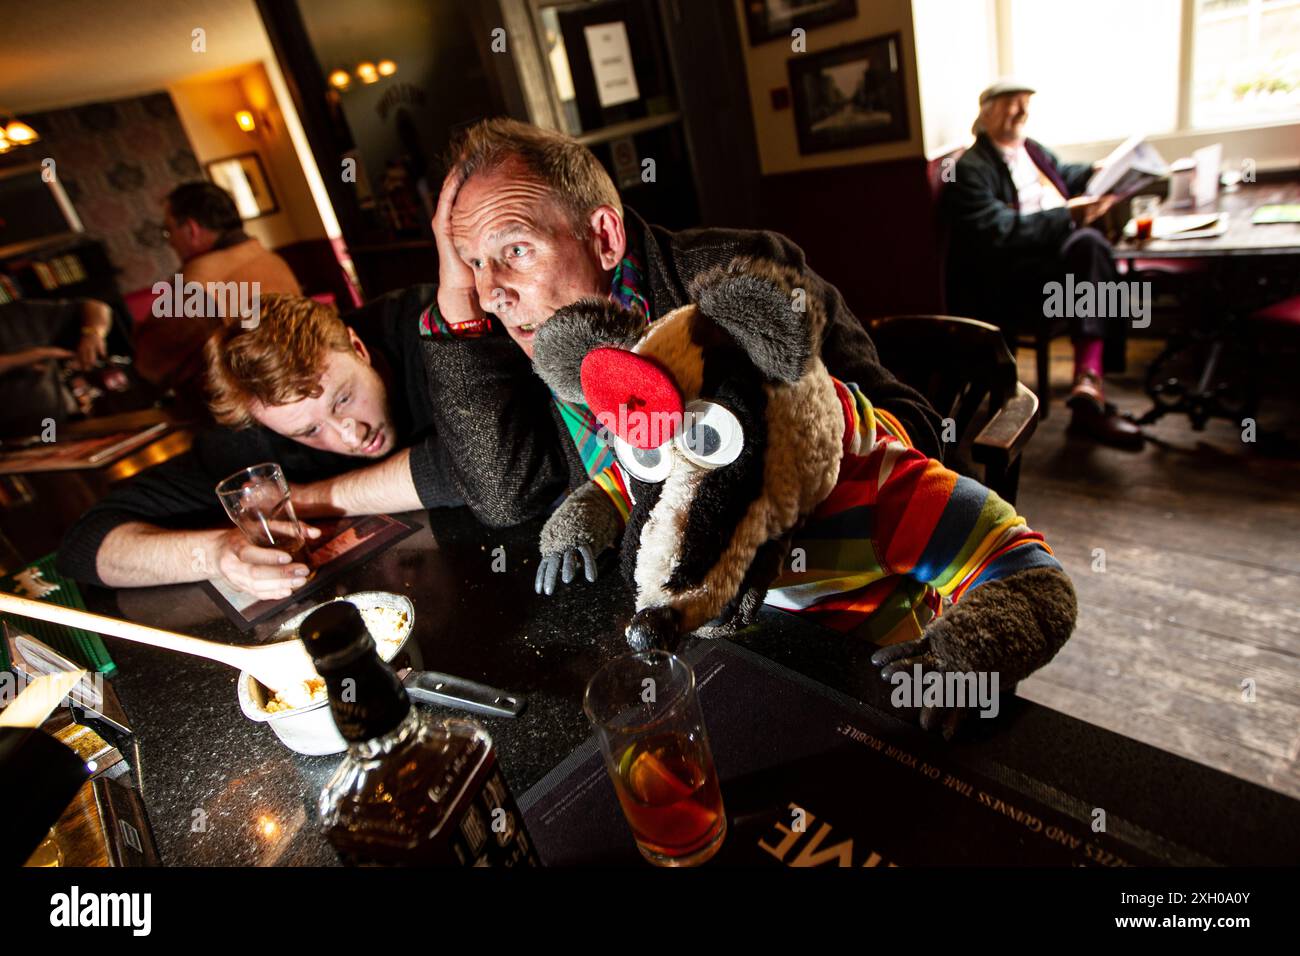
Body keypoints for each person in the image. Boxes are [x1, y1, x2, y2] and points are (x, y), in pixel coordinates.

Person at [420, 118, 944, 588]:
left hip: (809, 597)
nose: (491, 294)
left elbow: (909, 431)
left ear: (604, 237)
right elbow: (504, 496)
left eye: (515, 250)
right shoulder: (518, 328)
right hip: (653, 612)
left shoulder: (739, 278)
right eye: (474, 264)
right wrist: (455, 306)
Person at [56, 289, 566, 598]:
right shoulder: (251, 437)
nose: (349, 434)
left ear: (358, 347)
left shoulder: (432, 325)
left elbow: (496, 466)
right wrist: (215, 553)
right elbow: (84, 547)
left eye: (343, 398)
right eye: (307, 431)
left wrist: (302, 498)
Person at [944, 80, 1142, 450]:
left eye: (1025, 104)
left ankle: (1089, 381)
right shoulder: (970, 168)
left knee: (1092, 248)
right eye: (1011, 104)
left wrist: (1103, 172)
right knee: (1092, 253)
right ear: (986, 112)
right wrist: (1066, 216)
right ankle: (1092, 378)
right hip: (1012, 276)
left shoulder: (1031, 151)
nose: (1022, 111)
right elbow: (996, 231)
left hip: (1050, 259)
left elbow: (1067, 173)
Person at [133, 182, 301, 393]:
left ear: (192, 230)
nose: (171, 242)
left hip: (247, 405)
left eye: (169, 230)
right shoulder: (271, 259)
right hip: (297, 386)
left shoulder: (195, 284)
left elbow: (150, 363)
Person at [0, 297, 117, 436]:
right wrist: (19, 359)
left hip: (68, 428)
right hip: (16, 442)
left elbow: (97, 307)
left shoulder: (15, 315)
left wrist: (93, 334)